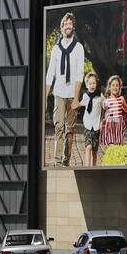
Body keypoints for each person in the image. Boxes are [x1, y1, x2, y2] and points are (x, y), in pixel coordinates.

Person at [43, 12, 85, 165]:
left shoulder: (79, 48)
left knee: (70, 129)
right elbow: (50, 74)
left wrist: (76, 98)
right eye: (65, 24)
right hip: (59, 93)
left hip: (72, 94)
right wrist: (45, 96)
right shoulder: (56, 49)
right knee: (59, 126)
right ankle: (57, 161)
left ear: (73, 27)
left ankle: (66, 160)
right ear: (61, 28)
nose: (68, 26)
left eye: (70, 23)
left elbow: (80, 74)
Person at [100, 75, 127, 159]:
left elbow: (126, 108)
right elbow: (103, 111)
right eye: (113, 85)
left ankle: (116, 160)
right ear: (109, 87)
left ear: (120, 87)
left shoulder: (121, 99)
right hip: (110, 124)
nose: (115, 87)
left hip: (119, 124)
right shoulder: (106, 100)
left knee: (118, 145)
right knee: (111, 144)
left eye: (117, 85)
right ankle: (111, 159)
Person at [76, 72, 104, 166]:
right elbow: (80, 104)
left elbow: (105, 106)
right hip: (88, 125)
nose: (92, 85)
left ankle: (94, 167)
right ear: (87, 85)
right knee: (88, 147)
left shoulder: (100, 96)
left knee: (95, 151)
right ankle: (86, 167)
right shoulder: (85, 96)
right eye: (90, 83)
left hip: (96, 126)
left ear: (96, 84)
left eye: (94, 83)